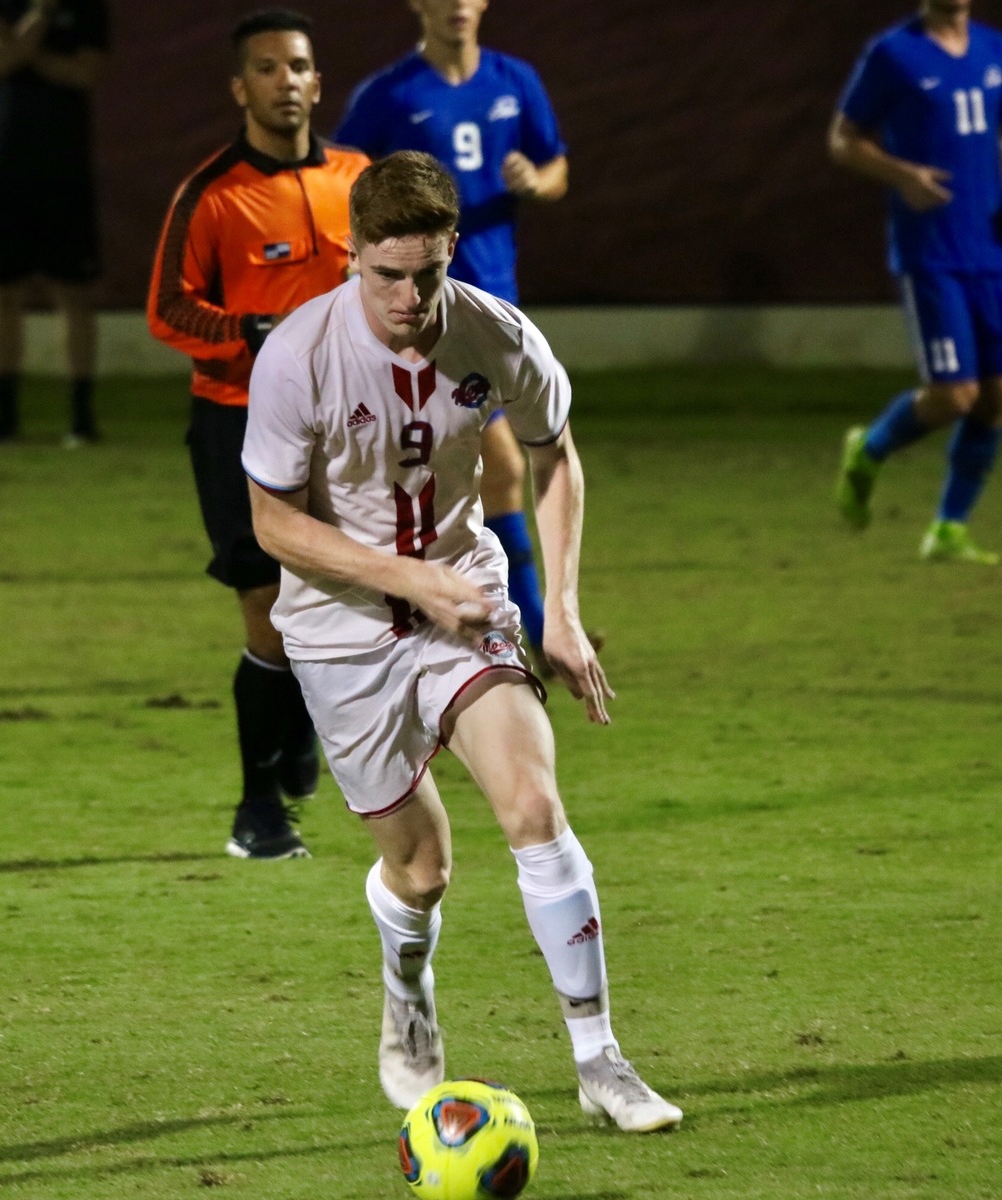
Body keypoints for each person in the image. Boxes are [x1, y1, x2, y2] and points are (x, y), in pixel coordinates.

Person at [241, 151, 681, 1132]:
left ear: (451, 251)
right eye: (384, 274)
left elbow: (555, 456)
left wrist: (559, 610)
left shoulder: (497, 335)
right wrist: (405, 578)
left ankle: (600, 1059)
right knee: (423, 867)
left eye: (426, 274)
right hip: (338, 634)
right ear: (350, 254)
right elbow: (271, 525)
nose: (406, 297)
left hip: (465, 609)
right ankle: (407, 988)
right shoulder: (297, 357)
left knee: (532, 803)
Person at [147, 10, 371, 860]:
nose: (287, 81)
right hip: (239, 423)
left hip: (345, 424)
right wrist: (250, 333)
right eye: (269, 69)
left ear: (319, 82)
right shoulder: (211, 193)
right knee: (267, 614)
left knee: (341, 602)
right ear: (241, 88)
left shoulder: (360, 177)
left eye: (301, 66)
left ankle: (304, 725)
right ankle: (257, 810)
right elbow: (167, 309)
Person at [333, 0, 566, 659]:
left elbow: (557, 168)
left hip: (493, 307)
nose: (457, 5)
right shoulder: (388, 97)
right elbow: (342, 188)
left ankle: (493, 626)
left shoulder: (514, 82)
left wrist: (537, 182)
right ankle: (522, 632)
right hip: (416, 313)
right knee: (491, 466)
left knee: (475, 471)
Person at [829, 0, 1002, 562]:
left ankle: (948, 529)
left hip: (991, 247)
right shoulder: (894, 54)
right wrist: (902, 175)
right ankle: (870, 448)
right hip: (930, 250)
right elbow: (843, 140)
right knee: (957, 394)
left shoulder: (995, 48)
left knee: (998, 391)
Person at [0, 0, 108, 445]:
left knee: (74, 293)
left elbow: (85, 73)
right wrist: (40, 19)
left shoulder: (86, 5)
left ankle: (81, 418)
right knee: (4, 291)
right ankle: (4, 415)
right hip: (5, 165)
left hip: (64, 166)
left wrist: (24, 53)